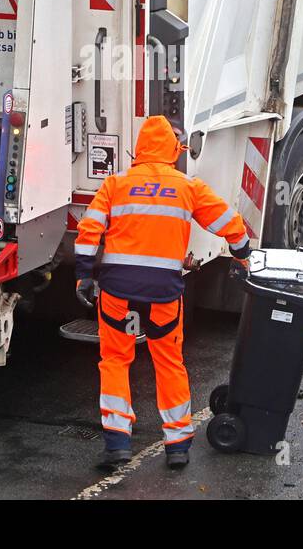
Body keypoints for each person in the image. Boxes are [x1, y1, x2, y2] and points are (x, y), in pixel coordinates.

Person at [73, 115, 251, 470]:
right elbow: (230, 223)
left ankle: (117, 443)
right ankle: (177, 445)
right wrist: (242, 252)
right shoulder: (188, 186)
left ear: (138, 149)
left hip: (117, 291)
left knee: (115, 361)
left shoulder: (115, 184)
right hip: (164, 293)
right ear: (174, 149)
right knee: (168, 362)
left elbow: (88, 232)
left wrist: (83, 276)